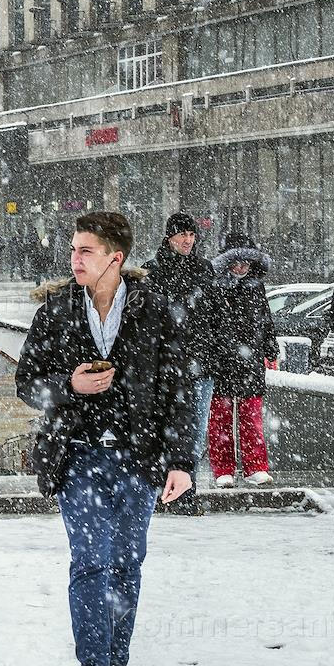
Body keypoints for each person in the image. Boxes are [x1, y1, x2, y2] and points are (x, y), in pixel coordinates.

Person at [15, 211, 196, 666]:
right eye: (73, 250)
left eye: (86, 251)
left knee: (127, 563)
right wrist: (66, 386)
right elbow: (26, 382)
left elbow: (180, 391)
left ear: (115, 257)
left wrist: (182, 462)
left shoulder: (155, 311)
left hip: (138, 459)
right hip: (77, 457)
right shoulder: (55, 311)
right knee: (90, 561)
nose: (74, 259)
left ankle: (118, 665)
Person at [142, 212, 221, 515]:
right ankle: (167, 490)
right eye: (182, 234)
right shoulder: (155, 272)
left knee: (196, 431)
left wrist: (214, 353)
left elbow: (214, 316)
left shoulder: (203, 270)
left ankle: (185, 490)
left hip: (199, 363)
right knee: (167, 428)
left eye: (191, 234)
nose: (188, 240)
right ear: (169, 237)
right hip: (167, 366)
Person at [208, 233, 278, 488]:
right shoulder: (214, 286)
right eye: (237, 262)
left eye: (247, 262)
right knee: (220, 419)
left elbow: (265, 320)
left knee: (251, 417)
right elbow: (208, 324)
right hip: (222, 361)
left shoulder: (255, 286)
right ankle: (223, 469)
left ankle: (255, 466)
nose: (242, 267)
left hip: (250, 362)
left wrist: (270, 348)